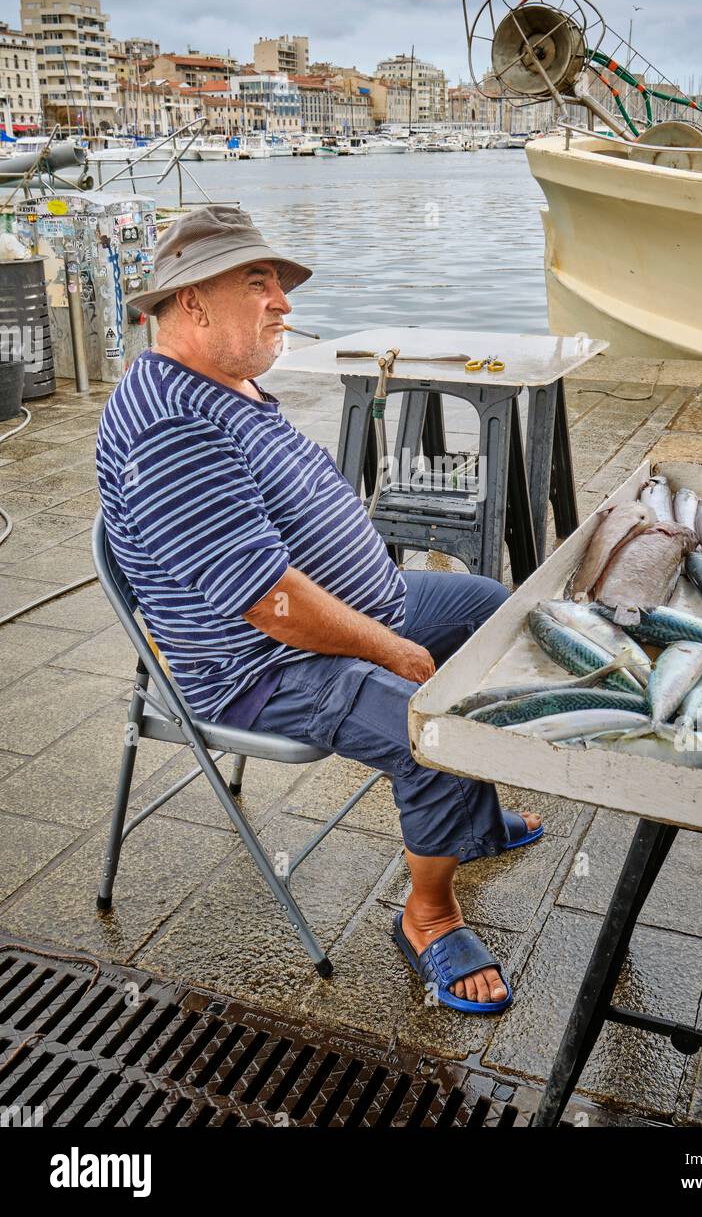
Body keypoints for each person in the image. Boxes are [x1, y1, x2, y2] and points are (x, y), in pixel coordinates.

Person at [95, 205, 542, 1015]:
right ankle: (429, 917)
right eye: (258, 284)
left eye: (281, 286)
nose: (284, 304)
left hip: (364, 606)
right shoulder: (168, 424)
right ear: (190, 301)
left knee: (495, 614)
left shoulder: (222, 377)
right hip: (263, 669)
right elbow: (269, 602)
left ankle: (466, 820)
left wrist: (378, 618)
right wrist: (389, 650)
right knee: (428, 725)